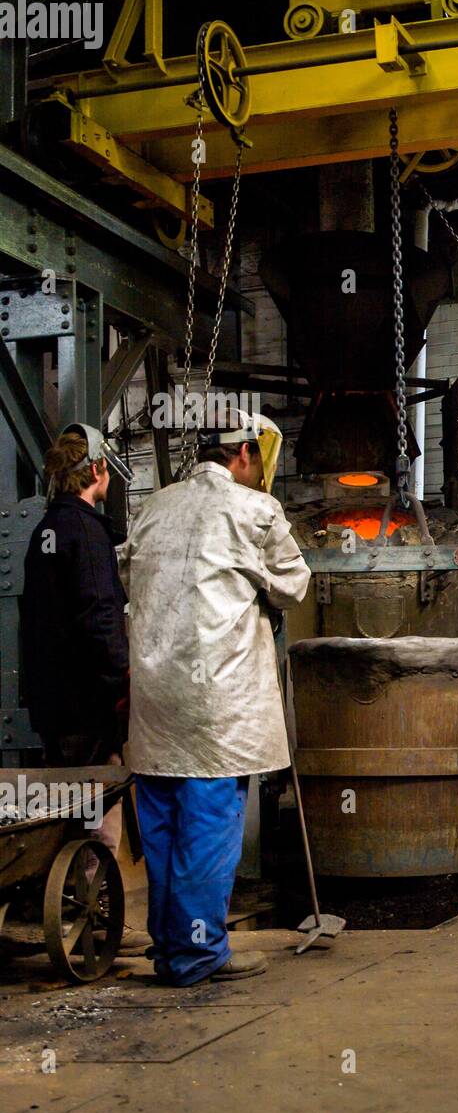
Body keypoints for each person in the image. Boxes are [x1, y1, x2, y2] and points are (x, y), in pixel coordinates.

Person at [117, 412, 310, 986]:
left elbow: (130, 577)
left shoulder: (152, 507)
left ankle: (171, 947)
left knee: (162, 831)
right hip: (216, 707)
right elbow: (294, 585)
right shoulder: (255, 511)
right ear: (245, 454)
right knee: (206, 831)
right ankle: (197, 956)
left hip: (155, 699)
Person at [20, 424, 148, 950]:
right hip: (90, 703)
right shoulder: (88, 532)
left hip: (51, 702)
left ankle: (78, 907)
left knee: (73, 807)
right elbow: (99, 615)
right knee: (101, 815)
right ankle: (97, 919)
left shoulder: (45, 531)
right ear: (95, 470)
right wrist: (127, 674)